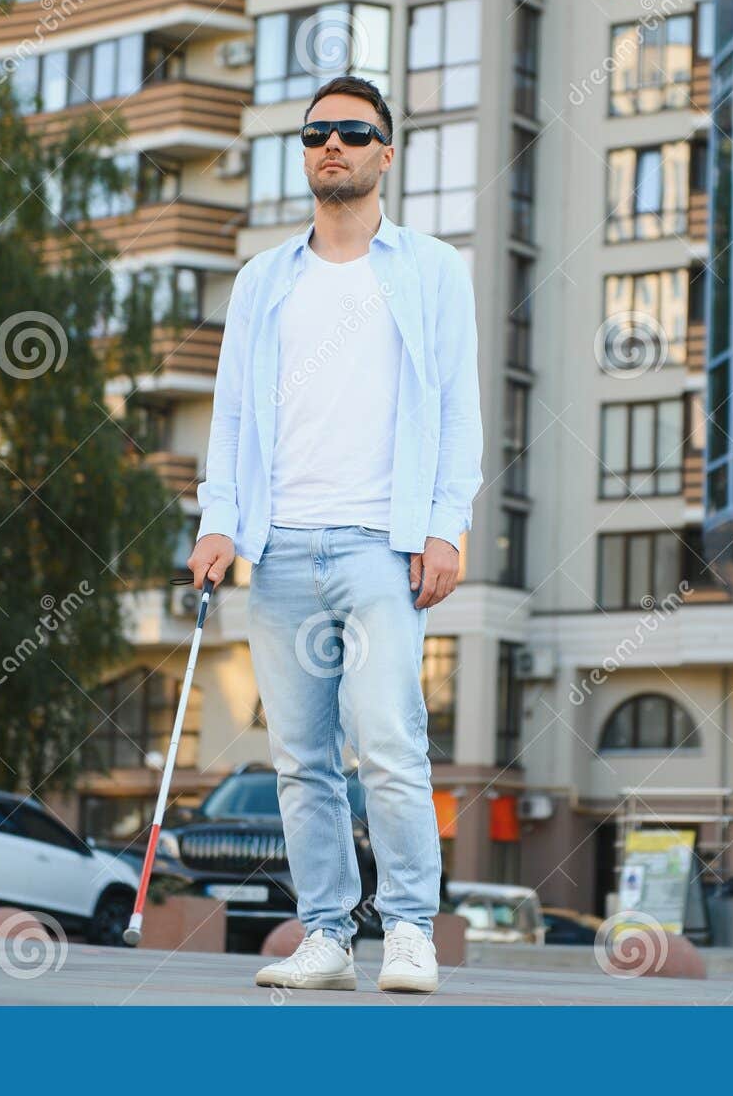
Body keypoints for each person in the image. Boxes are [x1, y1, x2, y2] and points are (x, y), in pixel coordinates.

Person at [186, 75, 483, 994]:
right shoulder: (262, 280)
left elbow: (458, 413)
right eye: (318, 133)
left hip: (379, 546)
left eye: (355, 132)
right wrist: (217, 522)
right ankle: (323, 934)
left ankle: (408, 931)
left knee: (390, 741)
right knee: (300, 760)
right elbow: (231, 417)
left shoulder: (432, 270)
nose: (334, 146)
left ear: (386, 153)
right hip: (277, 552)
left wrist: (446, 527)